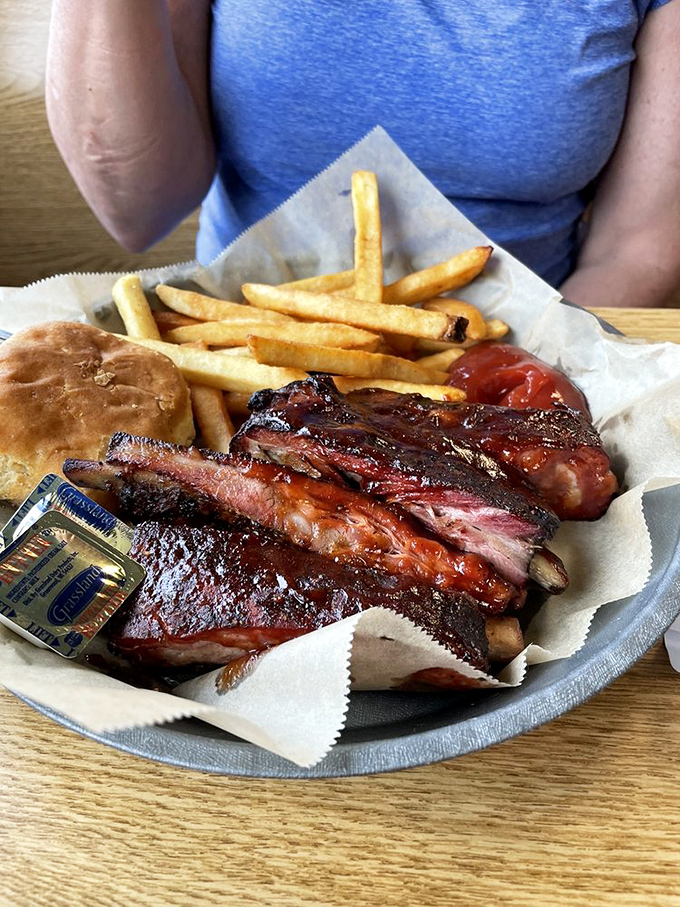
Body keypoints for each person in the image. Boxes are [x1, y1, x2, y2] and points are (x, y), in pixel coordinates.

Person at [46, 1, 680, 307]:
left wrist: (521, 396)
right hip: (234, 365)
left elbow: (637, 252)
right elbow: (138, 211)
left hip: (529, 360)